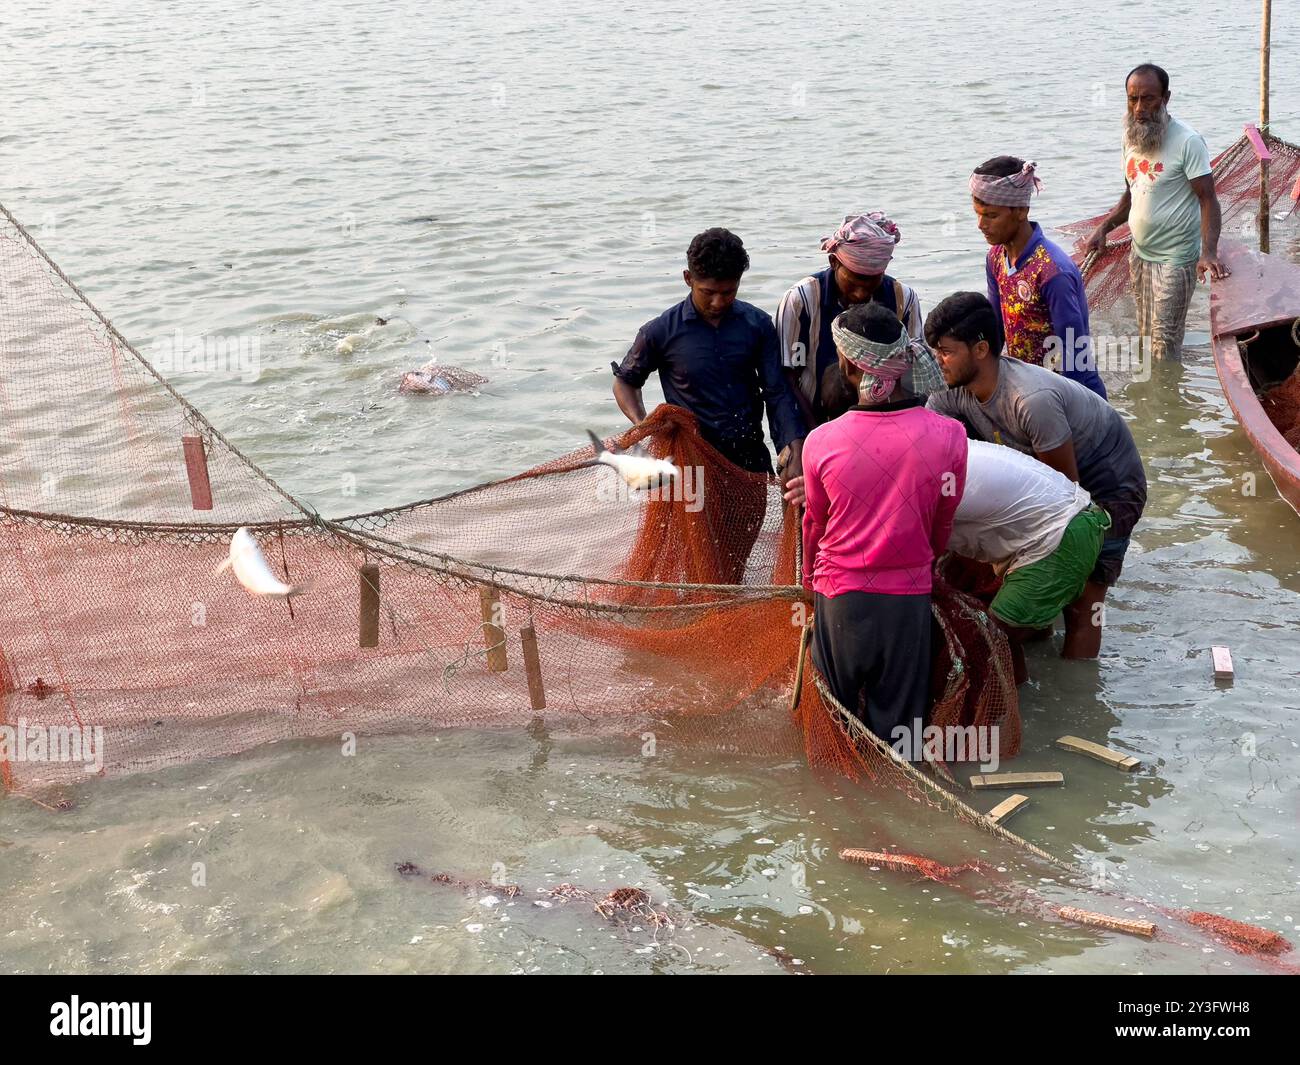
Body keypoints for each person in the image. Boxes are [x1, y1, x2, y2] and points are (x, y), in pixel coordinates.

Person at [923, 292, 1146, 659]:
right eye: (934, 351)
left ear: (980, 350)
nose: (938, 361)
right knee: (1035, 571)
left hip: (1109, 486)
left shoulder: (1030, 400)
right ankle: (1036, 627)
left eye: (946, 351)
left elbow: (1064, 494)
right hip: (1054, 484)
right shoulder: (950, 394)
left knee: (1085, 600)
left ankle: (1081, 695)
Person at [790, 302, 966, 741]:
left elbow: (815, 525)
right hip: (908, 599)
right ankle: (897, 802)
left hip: (840, 597)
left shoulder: (820, 442)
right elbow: (942, 524)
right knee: (901, 731)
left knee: (836, 723)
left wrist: (810, 584)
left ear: (847, 364)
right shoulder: (950, 435)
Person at [611, 227, 806, 582]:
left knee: (735, 563)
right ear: (688, 279)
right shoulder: (661, 331)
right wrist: (642, 423)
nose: (718, 302)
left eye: (728, 292)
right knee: (704, 564)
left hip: (747, 460)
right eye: (708, 292)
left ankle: (726, 618)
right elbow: (625, 381)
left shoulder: (757, 325)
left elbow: (777, 392)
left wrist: (791, 449)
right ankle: (708, 616)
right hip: (693, 464)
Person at [1084, 62, 1229, 361]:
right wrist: (1104, 228)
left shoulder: (1188, 142)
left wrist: (1209, 252)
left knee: (1163, 343)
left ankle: (1166, 399)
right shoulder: (1130, 138)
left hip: (1177, 257)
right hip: (1140, 254)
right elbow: (1132, 195)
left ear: (1166, 98)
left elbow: (1208, 200)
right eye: (1132, 99)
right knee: (1147, 336)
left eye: (1148, 99)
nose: (1139, 108)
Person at [948, 439, 1111, 678]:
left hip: (1062, 534)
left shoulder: (923, 481)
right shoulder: (942, 449)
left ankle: (1064, 693)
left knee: (992, 640)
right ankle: (1033, 686)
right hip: (1065, 518)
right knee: (1011, 636)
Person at [970, 156, 1108, 398]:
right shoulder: (995, 259)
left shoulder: (1052, 271)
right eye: (978, 214)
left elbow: (1075, 351)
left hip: (1069, 394)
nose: (981, 224)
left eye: (991, 216)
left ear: (1021, 211)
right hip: (1025, 389)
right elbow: (995, 331)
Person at [776, 212, 927, 431]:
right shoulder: (801, 300)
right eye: (855, 279)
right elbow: (787, 379)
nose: (861, 292)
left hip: (887, 421)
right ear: (833, 262)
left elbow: (915, 374)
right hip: (814, 421)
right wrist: (804, 440)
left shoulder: (904, 299)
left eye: (873, 279)